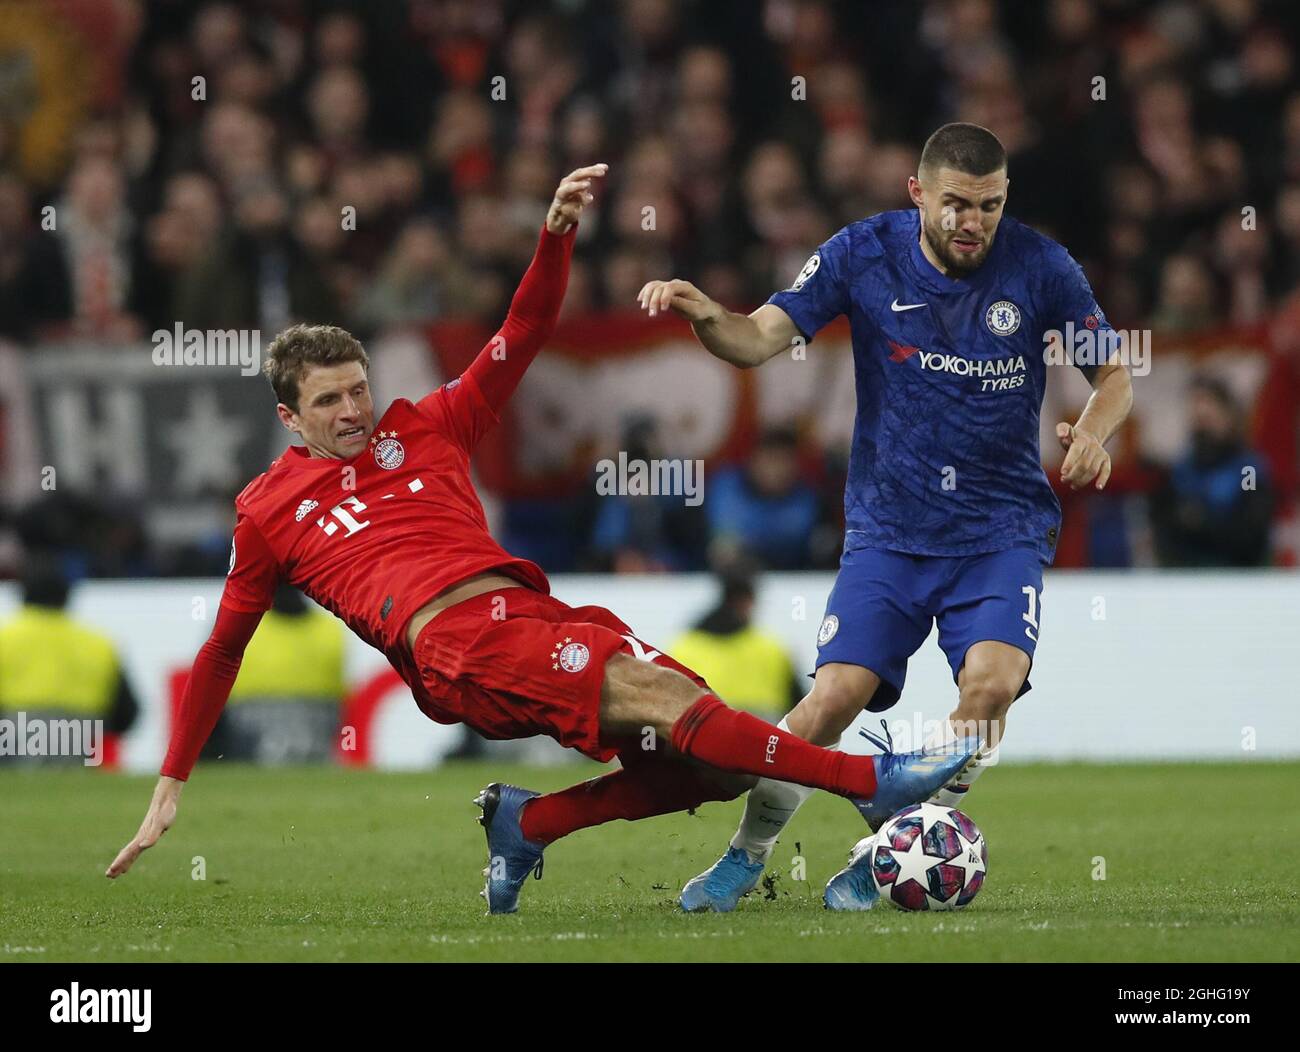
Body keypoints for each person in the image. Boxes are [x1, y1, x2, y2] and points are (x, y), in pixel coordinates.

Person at [105, 165, 976, 915]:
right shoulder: (266, 510)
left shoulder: (429, 425)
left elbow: (521, 335)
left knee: (712, 760)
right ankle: (870, 787)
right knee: (673, 707)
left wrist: (553, 237)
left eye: (358, 391)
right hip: (456, 642)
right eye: (328, 402)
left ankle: (531, 823)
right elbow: (224, 646)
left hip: (530, 611)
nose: (352, 412)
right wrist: (172, 781)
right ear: (289, 415)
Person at [638, 123, 1134, 911]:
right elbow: (758, 338)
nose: (974, 223)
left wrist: (1096, 435)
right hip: (889, 531)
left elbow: (1114, 372)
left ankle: (887, 855)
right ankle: (746, 854)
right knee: (832, 698)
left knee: (992, 686)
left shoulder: (1041, 267)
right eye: (958, 205)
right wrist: (708, 317)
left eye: (991, 206)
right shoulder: (862, 253)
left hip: (1000, 529)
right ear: (918, 193)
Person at [0, 557, 138, 767]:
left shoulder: (5, 637)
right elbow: (127, 712)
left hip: (14, 738)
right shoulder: (99, 643)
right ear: (67, 597)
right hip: (79, 739)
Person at [1150, 374, 1274, 567]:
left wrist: (1199, 522)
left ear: (1228, 416)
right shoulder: (1180, 471)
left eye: (1208, 419)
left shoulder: (1247, 470)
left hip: (1239, 577)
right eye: (1197, 421)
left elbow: (1250, 533)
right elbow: (1166, 531)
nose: (1203, 429)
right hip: (1189, 576)